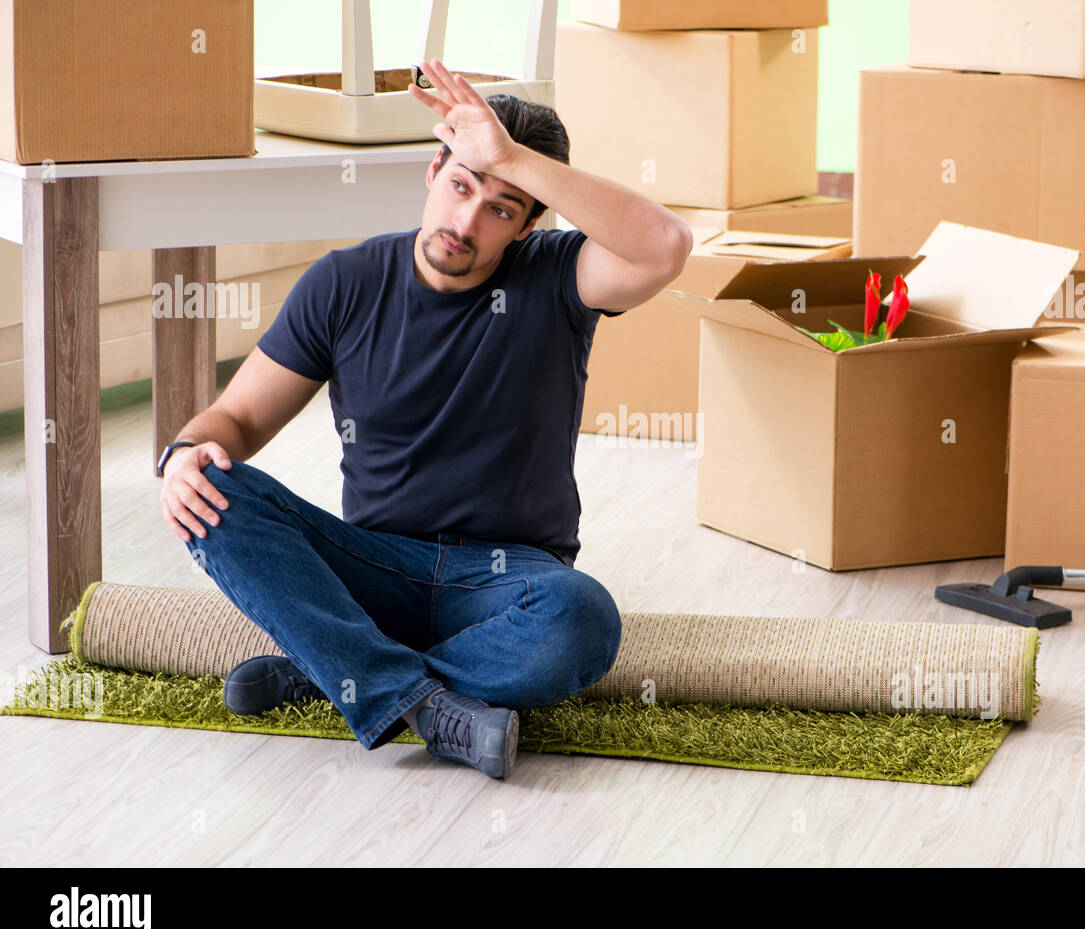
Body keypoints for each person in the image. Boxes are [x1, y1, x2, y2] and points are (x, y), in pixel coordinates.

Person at [157, 59, 694, 781]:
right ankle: (420, 699)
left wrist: (508, 157)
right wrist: (186, 454)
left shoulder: (559, 276)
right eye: (462, 185)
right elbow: (238, 418)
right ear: (433, 170)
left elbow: (667, 246)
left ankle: (338, 674)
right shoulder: (345, 282)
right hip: (376, 569)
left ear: (531, 223)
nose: (466, 220)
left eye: (502, 206)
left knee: (583, 619)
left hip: (511, 583)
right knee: (219, 494)